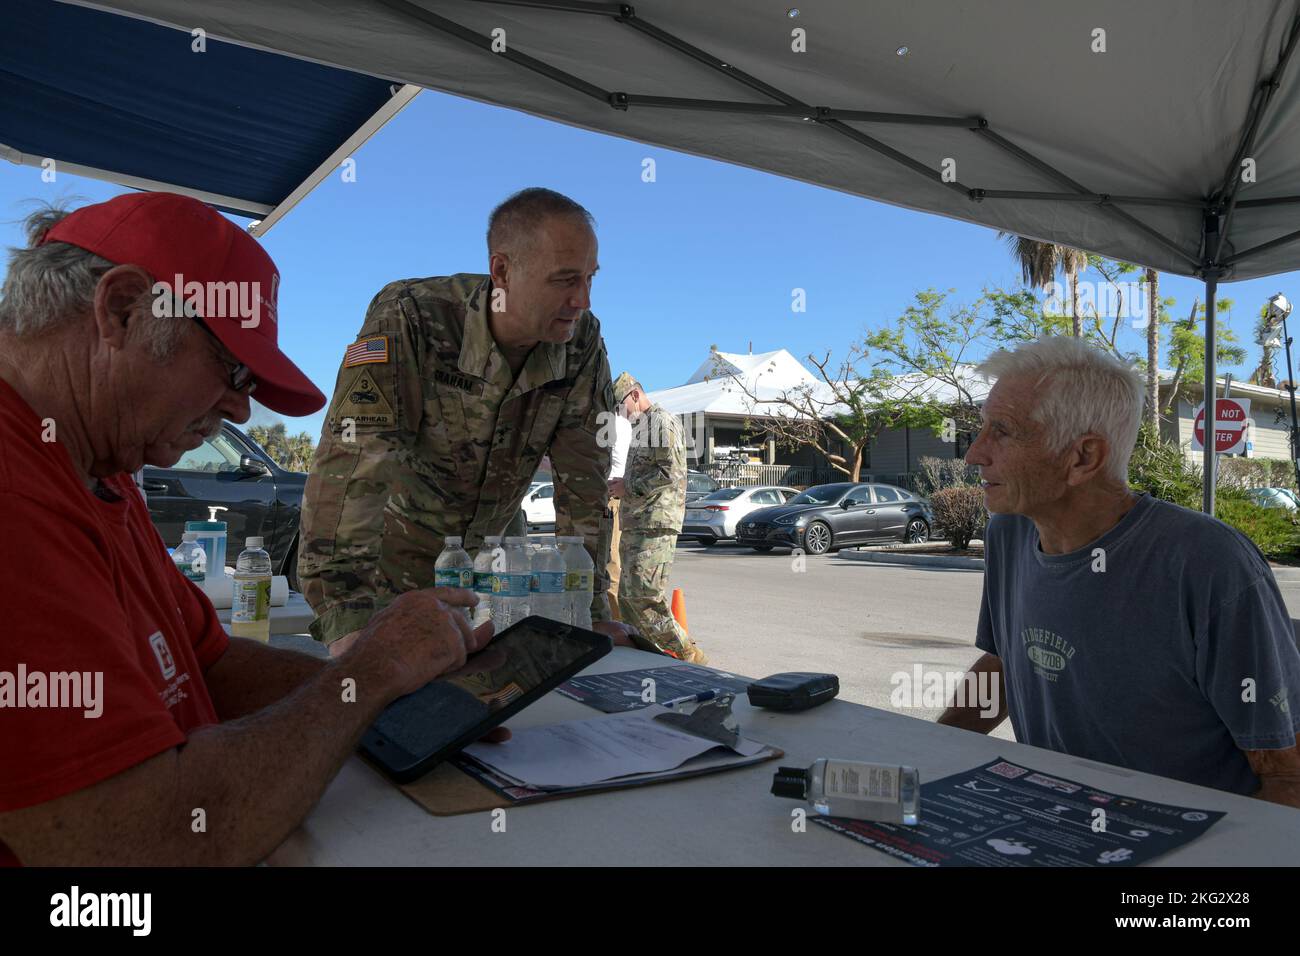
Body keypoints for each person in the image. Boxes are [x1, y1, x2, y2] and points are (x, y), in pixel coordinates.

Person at [0, 193, 502, 865]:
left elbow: (210, 666)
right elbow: (134, 846)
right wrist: (374, 670)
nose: (240, 406)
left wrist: (390, 691)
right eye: (232, 369)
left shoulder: (95, 463)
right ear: (122, 309)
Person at [938, 335, 1300, 807]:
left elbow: (1287, 775)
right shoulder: (1009, 532)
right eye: (982, 428)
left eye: (1002, 431)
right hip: (1057, 827)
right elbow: (1007, 665)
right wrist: (928, 759)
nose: (974, 454)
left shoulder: (1209, 563)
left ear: (1084, 457)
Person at [298, 188, 635, 649]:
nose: (583, 300)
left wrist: (588, 613)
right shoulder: (413, 317)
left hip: (492, 583)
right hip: (391, 578)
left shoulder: (579, 344)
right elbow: (353, 466)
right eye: (564, 280)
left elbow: (584, 487)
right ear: (502, 270)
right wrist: (346, 620)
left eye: (591, 278)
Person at [608, 372, 706, 663]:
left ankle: (688, 654)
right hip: (638, 521)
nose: (620, 413)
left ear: (635, 395)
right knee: (628, 597)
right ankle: (646, 656)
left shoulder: (662, 422)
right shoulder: (643, 428)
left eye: (621, 406)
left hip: (655, 523)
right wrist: (620, 485)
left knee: (645, 596)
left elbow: (671, 471)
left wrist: (629, 486)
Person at [605, 402, 633, 621]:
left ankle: (615, 619)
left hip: (610, 496)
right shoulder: (627, 425)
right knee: (615, 559)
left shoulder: (612, 424)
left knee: (610, 560)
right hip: (620, 497)